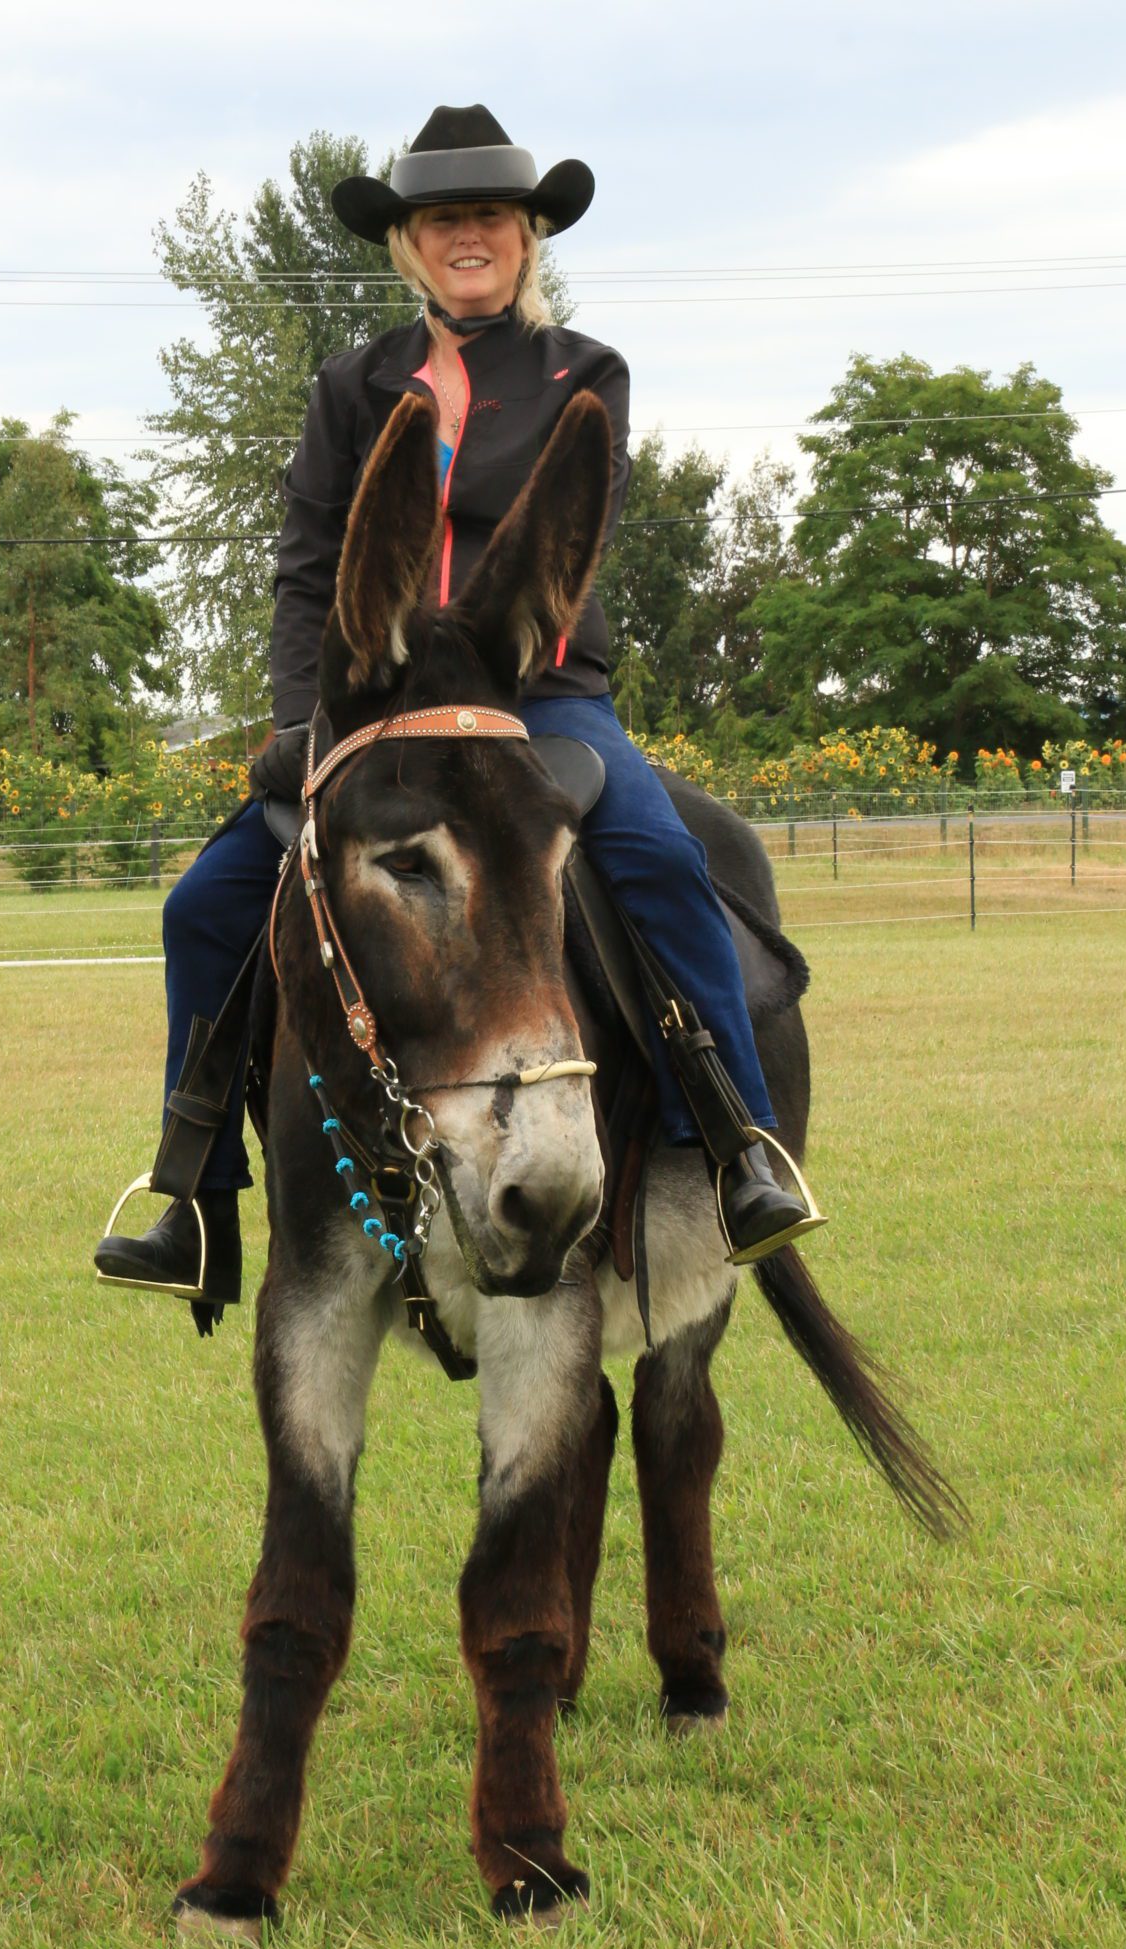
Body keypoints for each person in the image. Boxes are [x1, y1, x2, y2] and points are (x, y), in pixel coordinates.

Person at [95, 104, 820, 1321]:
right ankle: (196, 1199)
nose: (467, 236)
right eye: (443, 219)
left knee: (658, 856)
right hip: (370, 711)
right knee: (204, 905)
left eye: (489, 215)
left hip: (537, 696)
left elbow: (555, 530)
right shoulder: (350, 384)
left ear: (528, 236)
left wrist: (428, 446)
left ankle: (740, 1139)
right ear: (411, 243)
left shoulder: (582, 373)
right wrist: (300, 718)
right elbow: (304, 560)